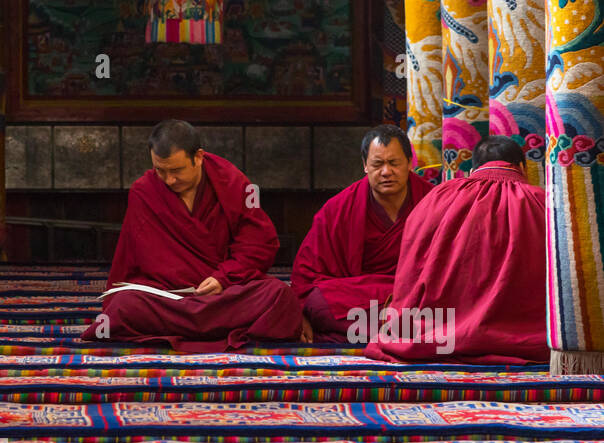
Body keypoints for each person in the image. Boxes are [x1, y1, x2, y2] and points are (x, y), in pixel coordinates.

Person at [81, 119, 301, 350]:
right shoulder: (144, 191)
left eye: (176, 170)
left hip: (222, 294)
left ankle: (193, 327)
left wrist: (223, 278)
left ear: (198, 157)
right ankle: (219, 328)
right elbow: (130, 258)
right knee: (124, 305)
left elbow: (259, 245)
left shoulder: (233, 183)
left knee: (279, 295)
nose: (169, 180)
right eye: (160, 171)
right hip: (170, 297)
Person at [363, 134, 548, 364]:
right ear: (522, 168)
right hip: (527, 338)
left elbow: (412, 267)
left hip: (442, 332)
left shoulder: (439, 196)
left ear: (473, 169)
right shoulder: (543, 202)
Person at [290, 125, 433, 343]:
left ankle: (357, 334)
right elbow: (306, 273)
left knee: (446, 301)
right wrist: (301, 314)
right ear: (365, 166)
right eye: (377, 164)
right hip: (358, 295)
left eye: (394, 163)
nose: (386, 172)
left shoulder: (435, 201)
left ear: (409, 163)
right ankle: (408, 332)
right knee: (317, 302)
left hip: (413, 293)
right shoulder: (339, 208)